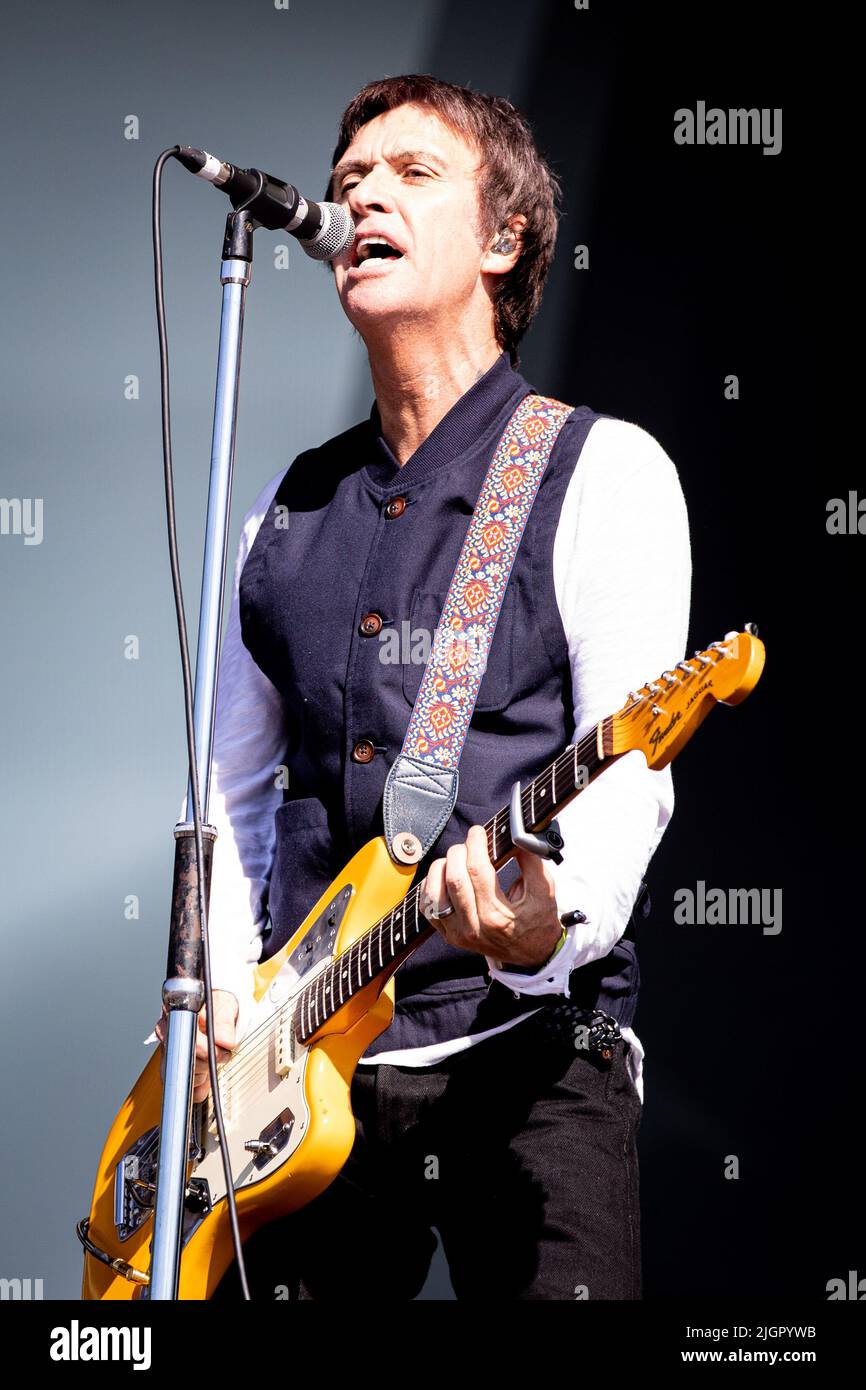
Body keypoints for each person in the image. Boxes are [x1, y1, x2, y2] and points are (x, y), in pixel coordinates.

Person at [151, 73, 691, 1300]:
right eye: (346, 182)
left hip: (532, 1054)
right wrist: (226, 993)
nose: (358, 197)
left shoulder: (601, 473)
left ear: (502, 239)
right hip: (302, 1081)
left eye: (408, 174)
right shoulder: (278, 515)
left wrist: (549, 914)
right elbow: (227, 793)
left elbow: (628, 767)